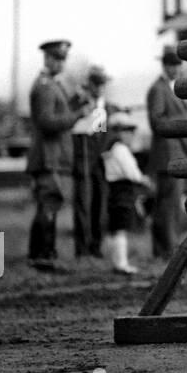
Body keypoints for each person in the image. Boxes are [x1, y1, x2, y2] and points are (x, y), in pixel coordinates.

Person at [25, 40, 92, 272]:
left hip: (55, 156)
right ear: (48, 59)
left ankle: (45, 254)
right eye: (58, 59)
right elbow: (47, 122)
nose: (61, 63)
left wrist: (76, 104)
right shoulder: (45, 86)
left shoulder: (53, 85)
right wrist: (77, 115)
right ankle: (41, 256)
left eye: (63, 59)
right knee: (48, 205)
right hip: (47, 156)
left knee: (51, 204)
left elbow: (58, 111)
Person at [146, 47, 187, 260]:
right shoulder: (158, 89)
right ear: (165, 65)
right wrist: (182, 126)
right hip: (167, 155)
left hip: (175, 154)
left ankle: (162, 249)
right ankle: (168, 249)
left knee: (169, 205)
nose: (176, 68)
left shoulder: (172, 88)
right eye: (173, 64)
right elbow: (156, 122)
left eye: (178, 64)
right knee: (168, 205)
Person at [69, 65, 110, 260]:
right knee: (83, 204)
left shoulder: (102, 105)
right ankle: (82, 248)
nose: (100, 88)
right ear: (90, 85)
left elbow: (101, 133)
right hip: (82, 159)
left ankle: (96, 245)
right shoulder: (78, 102)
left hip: (98, 161)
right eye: (97, 84)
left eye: (103, 84)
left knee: (98, 204)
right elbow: (72, 127)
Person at [101, 114, 150, 276]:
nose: (130, 135)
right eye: (127, 131)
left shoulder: (110, 149)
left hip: (114, 191)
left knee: (117, 228)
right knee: (121, 228)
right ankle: (121, 264)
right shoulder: (120, 150)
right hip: (123, 191)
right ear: (119, 132)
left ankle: (118, 262)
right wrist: (143, 179)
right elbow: (131, 172)